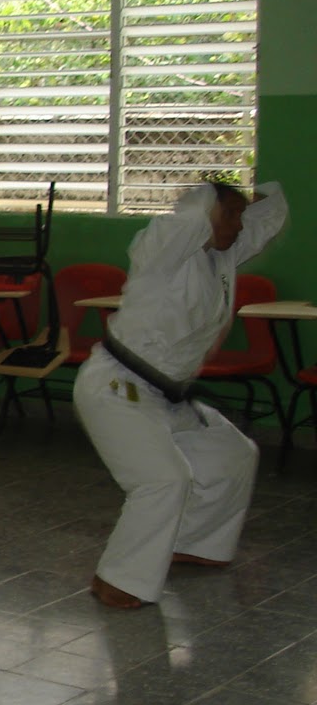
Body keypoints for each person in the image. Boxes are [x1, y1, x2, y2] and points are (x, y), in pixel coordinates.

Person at [74, 180, 288, 608]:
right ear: (204, 212)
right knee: (163, 479)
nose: (238, 224)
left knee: (232, 455)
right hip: (117, 387)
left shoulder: (222, 258)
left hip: (167, 395)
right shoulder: (162, 249)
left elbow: (260, 226)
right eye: (229, 214)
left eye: (240, 216)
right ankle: (117, 579)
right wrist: (206, 204)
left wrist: (263, 197)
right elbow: (186, 222)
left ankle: (193, 542)